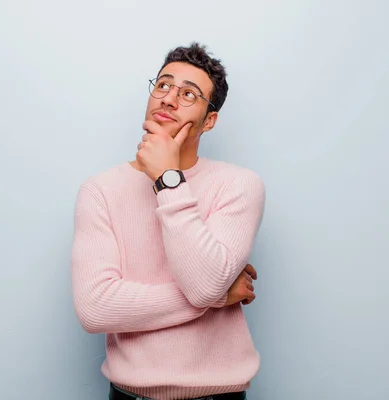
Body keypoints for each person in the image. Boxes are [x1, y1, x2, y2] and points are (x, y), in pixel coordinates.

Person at [71, 42, 266, 400]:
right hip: (129, 395)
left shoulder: (239, 185)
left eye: (188, 94)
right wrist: (218, 298)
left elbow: (205, 285)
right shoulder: (100, 190)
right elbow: (95, 309)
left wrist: (167, 179)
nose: (169, 99)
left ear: (209, 120)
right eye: (163, 85)